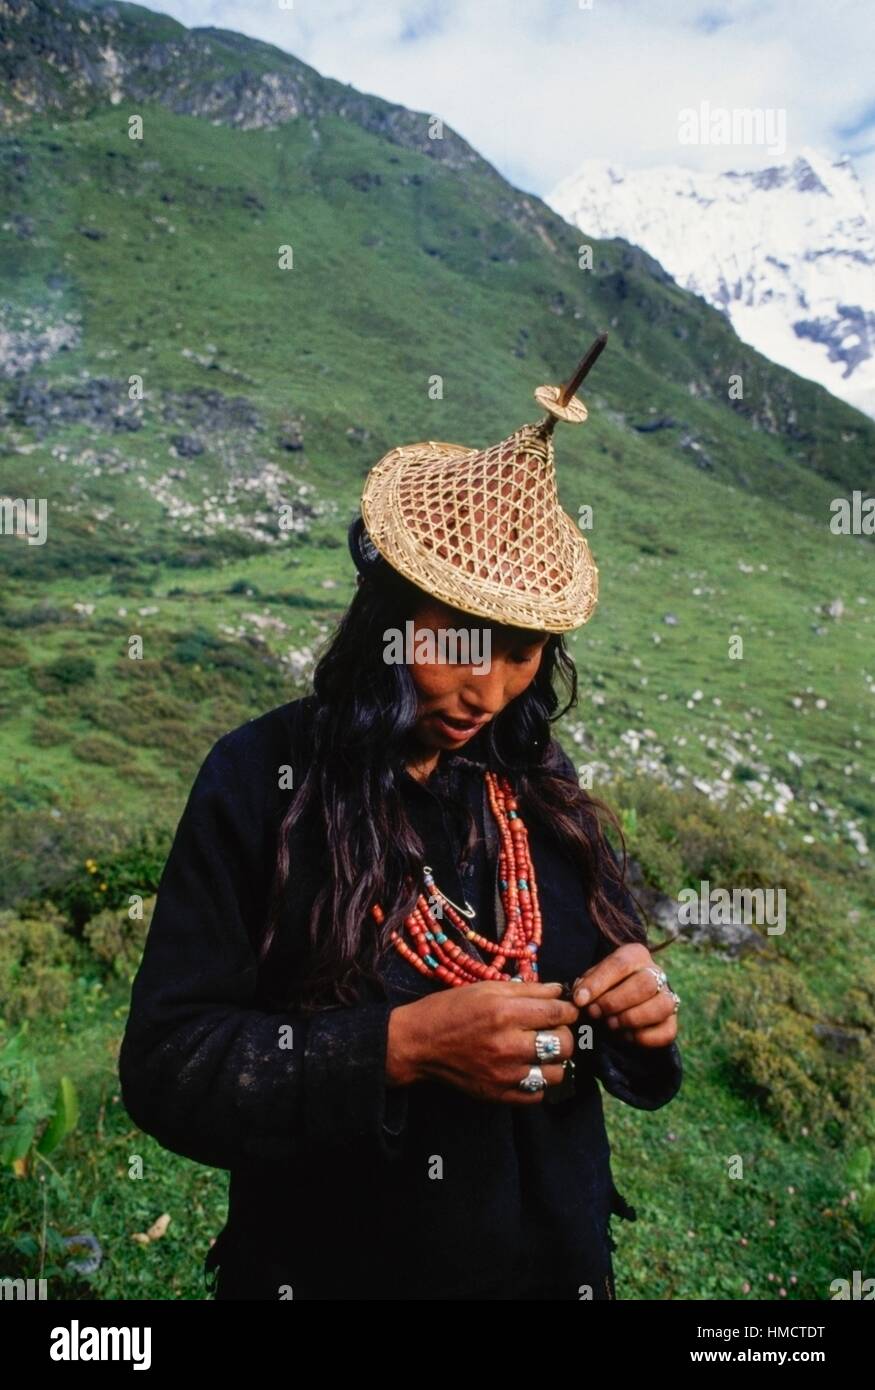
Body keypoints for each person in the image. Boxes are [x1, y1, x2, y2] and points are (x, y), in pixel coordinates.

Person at [118, 343, 682, 1300]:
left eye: (521, 654)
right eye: (456, 640)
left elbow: (601, 1037)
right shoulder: (259, 781)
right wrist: (399, 1047)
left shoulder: (539, 786)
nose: (486, 687)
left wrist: (635, 1026)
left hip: (548, 1269)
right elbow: (169, 1066)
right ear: (387, 616)